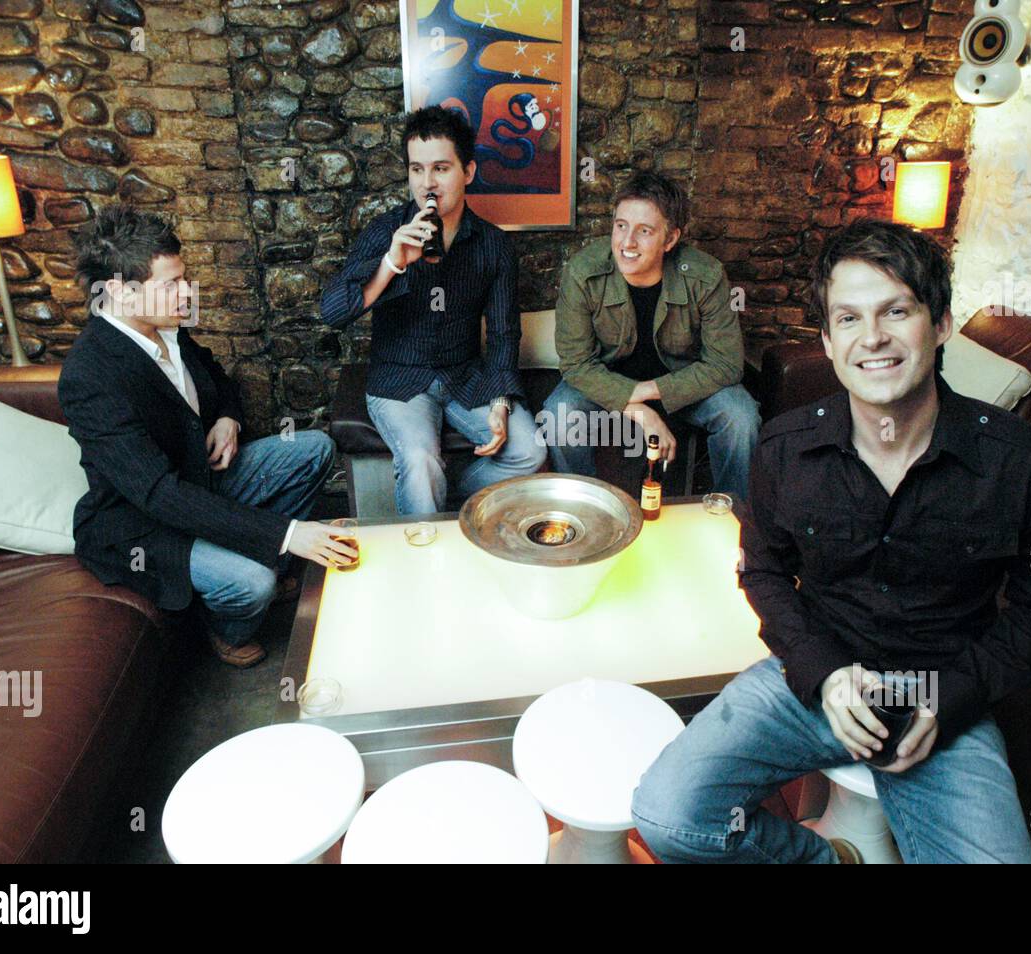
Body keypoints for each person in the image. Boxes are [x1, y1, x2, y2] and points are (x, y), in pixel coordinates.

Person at [631, 219, 1031, 863]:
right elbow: (762, 574)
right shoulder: (785, 448)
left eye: (896, 311)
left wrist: (953, 697)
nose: (873, 338)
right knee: (668, 815)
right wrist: (824, 672)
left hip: (944, 696)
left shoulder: (1024, 462)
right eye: (849, 319)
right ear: (828, 340)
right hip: (814, 678)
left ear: (942, 323)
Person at [59, 205, 353, 669]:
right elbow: (157, 493)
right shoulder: (90, 374)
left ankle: (263, 559)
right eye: (170, 284)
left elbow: (216, 378)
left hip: (199, 478)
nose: (186, 293)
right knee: (253, 582)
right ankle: (226, 628)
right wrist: (288, 534)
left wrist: (226, 420)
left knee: (312, 449)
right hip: (144, 522)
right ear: (119, 290)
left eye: (184, 278)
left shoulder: (165, 329)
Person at [319, 105, 545, 515]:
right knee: (421, 462)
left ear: (468, 172)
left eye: (441, 168)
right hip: (399, 379)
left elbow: (503, 333)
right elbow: (333, 312)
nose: (427, 184)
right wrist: (391, 263)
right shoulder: (385, 231)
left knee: (529, 450)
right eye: (417, 170)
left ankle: (455, 506)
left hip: (464, 376)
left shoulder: (493, 244)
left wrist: (499, 400)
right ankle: (429, 538)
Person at [544, 170, 760, 501]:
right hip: (608, 383)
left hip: (684, 384)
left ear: (670, 239)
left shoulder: (705, 276)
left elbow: (727, 364)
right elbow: (576, 365)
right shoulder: (583, 272)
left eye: (644, 231)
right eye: (620, 226)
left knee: (740, 416)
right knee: (560, 413)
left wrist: (651, 391)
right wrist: (639, 409)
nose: (627, 243)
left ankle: (733, 515)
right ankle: (583, 509)